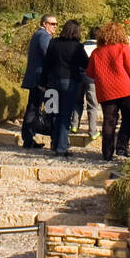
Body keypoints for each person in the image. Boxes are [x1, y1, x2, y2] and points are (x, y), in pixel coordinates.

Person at [85, 22, 130, 161]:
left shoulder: (96, 52)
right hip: (126, 89)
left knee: (109, 121)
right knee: (127, 119)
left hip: (106, 92)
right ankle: (122, 147)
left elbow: (90, 73)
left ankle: (107, 152)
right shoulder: (123, 48)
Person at [42, 20, 89, 157]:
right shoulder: (77, 46)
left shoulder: (53, 43)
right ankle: (61, 147)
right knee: (65, 115)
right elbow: (86, 63)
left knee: (53, 112)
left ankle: (55, 142)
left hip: (52, 81)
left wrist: (43, 82)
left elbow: (46, 64)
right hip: (69, 81)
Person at [20, 14, 57, 148]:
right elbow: (48, 55)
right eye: (52, 24)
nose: (55, 27)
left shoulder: (38, 35)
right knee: (50, 108)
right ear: (44, 24)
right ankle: (55, 139)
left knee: (33, 107)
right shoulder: (43, 36)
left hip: (36, 78)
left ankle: (28, 138)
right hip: (42, 79)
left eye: (56, 24)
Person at [73, 27, 102, 141]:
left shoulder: (82, 46)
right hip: (92, 80)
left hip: (79, 77)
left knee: (77, 102)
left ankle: (74, 125)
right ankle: (92, 130)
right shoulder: (99, 48)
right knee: (92, 105)